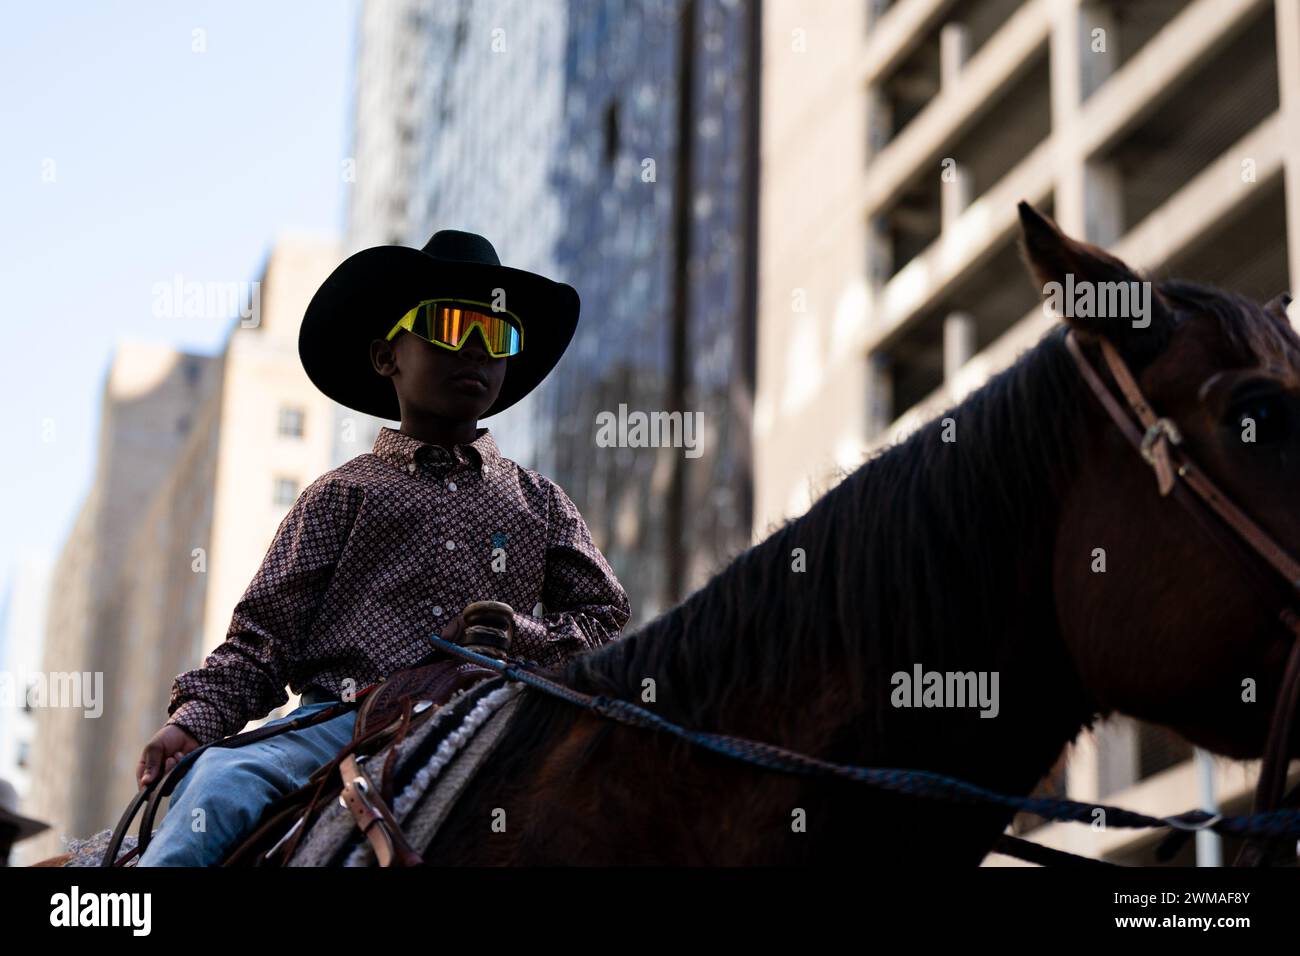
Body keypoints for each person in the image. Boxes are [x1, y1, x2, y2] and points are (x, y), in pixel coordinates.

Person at [133, 230, 631, 866]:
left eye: (497, 335)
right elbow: (261, 644)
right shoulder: (341, 494)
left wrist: (518, 638)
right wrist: (193, 723)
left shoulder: (542, 503)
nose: (475, 350)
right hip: (338, 726)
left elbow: (604, 621)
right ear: (385, 356)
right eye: (451, 326)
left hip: (489, 720)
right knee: (223, 786)